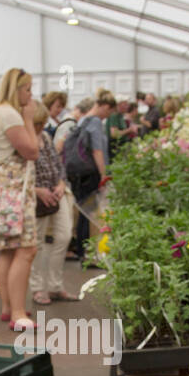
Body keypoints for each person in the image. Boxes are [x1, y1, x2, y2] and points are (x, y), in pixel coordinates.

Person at [0, 68, 42, 331]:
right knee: (26, 250)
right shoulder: (9, 114)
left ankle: (9, 307)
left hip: (1, 191)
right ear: (15, 89)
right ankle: (18, 312)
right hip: (14, 192)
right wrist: (28, 119)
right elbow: (31, 151)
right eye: (27, 88)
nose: (30, 94)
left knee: (8, 250)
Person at [29, 102, 75, 307]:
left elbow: (58, 165)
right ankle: (38, 288)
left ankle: (55, 285)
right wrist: (37, 191)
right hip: (36, 197)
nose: (40, 126)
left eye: (42, 122)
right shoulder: (23, 140)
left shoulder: (46, 137)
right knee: (36, 243)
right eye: (37, 123)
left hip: (56, 193)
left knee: (64, 236)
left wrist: (60, 184)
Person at [65, 91, 115, 260]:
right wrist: (103, 174)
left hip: (78, 172)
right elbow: (97, 150)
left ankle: (82, 249)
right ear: (105, 107)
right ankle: (87, 251)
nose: (107, 116)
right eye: (109, 112)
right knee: (89, 213)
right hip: (89, 172)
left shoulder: (82, 120)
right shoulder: (95, 123)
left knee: (83, 212)